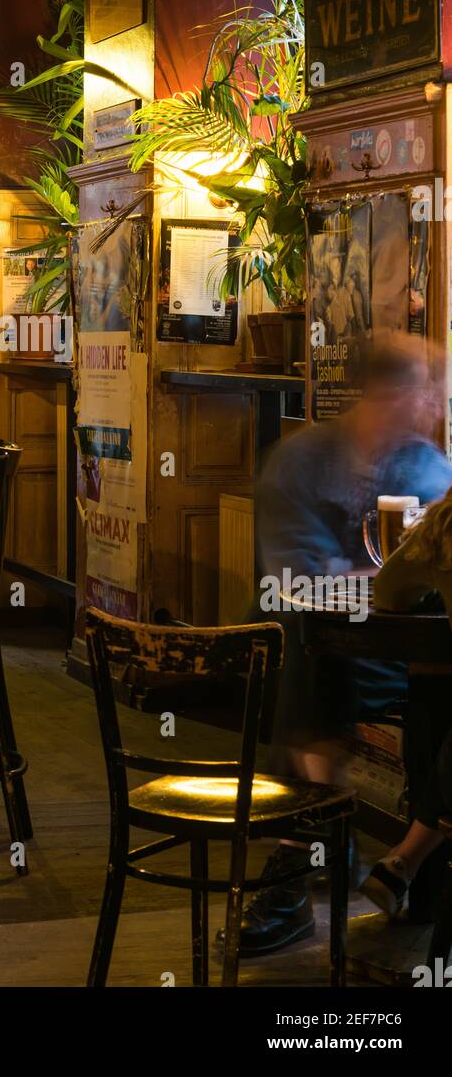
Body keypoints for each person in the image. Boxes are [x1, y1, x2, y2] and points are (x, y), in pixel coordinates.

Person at [223, 335, 452, 956]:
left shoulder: (429, 469)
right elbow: (293, 582)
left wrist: (366, 579)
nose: (432, 403)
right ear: (393, 392)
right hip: (315, 647)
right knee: (304, 645)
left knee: (325, 659)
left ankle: (305, 861)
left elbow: (430, 581)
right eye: (426, 388)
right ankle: (330, 845)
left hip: (396, 656)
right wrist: (382, 580)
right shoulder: (301, 460)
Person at [360, 493, 452, 915]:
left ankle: (408, 860)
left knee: (433, 696)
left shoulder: (443, 525)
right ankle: (409, 862)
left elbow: (390, 591)